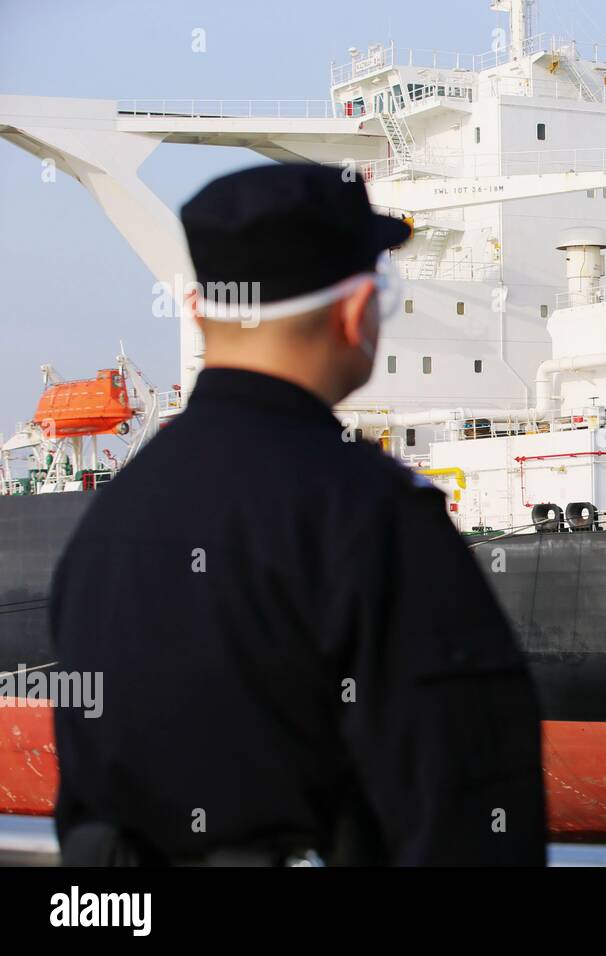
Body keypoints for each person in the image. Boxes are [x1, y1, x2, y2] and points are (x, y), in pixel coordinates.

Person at [51, 164, 546, 866]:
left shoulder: (110, 522)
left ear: (199, 313)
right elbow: (468, 805)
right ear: (355, 314)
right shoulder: (371, 515)